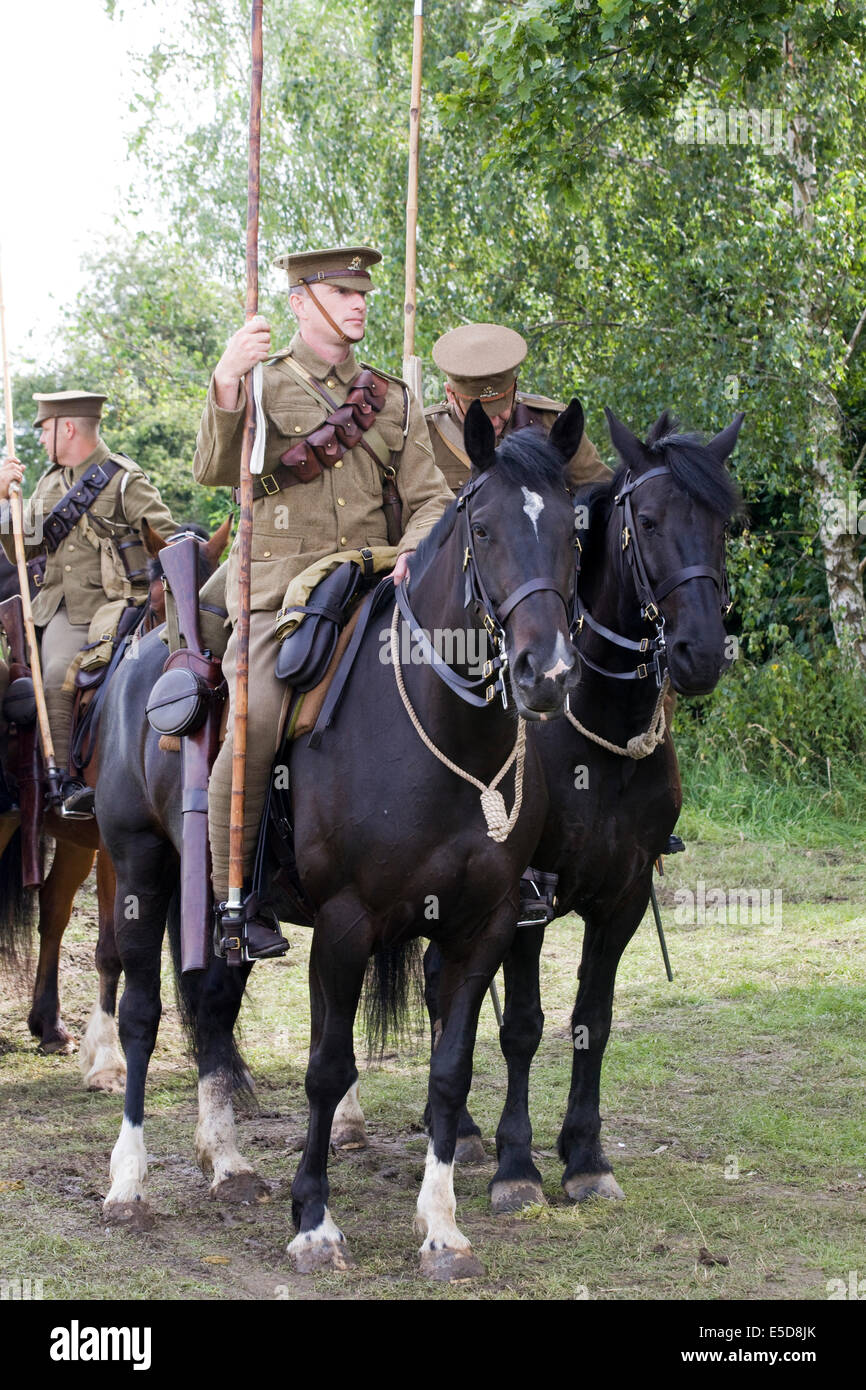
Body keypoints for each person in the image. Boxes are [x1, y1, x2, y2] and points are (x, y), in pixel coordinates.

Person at [193, 244, 453, 959]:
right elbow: (215, 471)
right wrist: (226, 378)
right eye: (341, 292)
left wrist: (414, 555)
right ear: (301, 301)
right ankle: (235, 900)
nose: (359, 302)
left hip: (377, 583)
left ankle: (503, 861)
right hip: (285, 599)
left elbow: (433, 499)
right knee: (251, 730)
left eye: (363, 291)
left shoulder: (392, 396)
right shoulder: (264, 385)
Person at [0, 391, 176, 814]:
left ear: (69, 427)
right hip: (65, 610)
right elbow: (22, 548)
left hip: (122, 606)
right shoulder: (48, 482)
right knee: (58, 674)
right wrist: (6, 503)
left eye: (44, 430)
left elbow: (167, 540)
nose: (41, 439)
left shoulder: (125, 480)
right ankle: (66, 784)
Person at [425, 323, 611, 495]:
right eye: (482, 414)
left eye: (500, 407)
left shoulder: (550, 423)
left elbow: (601, 492)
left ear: (514, 387)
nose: (494, 421)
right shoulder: (426, 436)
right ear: (451, 394)